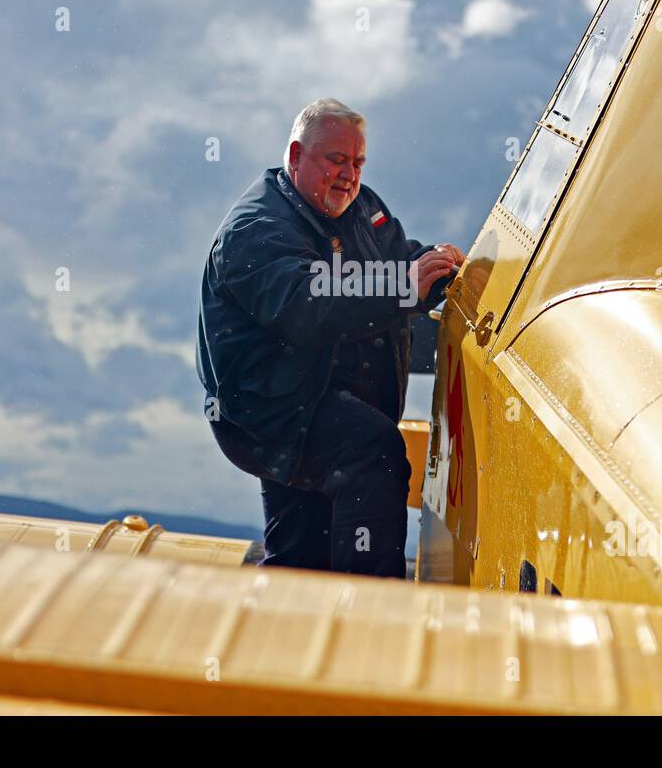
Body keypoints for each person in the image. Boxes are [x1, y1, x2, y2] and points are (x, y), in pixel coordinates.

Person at [196, 98, 464, 578]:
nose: (349, 175)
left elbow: (399, 256)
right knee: (373, 450)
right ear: (296, 156)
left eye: (358, 162)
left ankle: (288, 633)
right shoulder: (255, 229)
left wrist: (445, 270)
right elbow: (308, 305)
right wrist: (406, 282)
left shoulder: (363, 208)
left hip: (324, 400)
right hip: (276, 414)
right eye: (336, 160)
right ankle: (368, 615)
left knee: (298, 553)